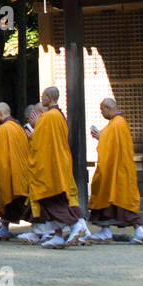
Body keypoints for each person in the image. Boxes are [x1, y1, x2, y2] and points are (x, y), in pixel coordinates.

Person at [27, 87, 90, 248]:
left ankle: (75, 224)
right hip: (58, 163)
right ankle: (58, 235)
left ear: (49, 97)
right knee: (56, 200)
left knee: (54, 201)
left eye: (43, 97)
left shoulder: (48, 117)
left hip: (50, 167)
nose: (42, 99)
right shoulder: (59, 116)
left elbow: (39, 141)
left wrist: (33, 128)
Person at [87, 98, 143, 244]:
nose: (102, 113)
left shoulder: (118, 123)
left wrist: (101, 137)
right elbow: (111, 143)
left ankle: (140, 231)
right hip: (113, 170)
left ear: (108, 108)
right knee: (107, 200)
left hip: (118, 171)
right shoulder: (115, 123)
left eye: (102, 110)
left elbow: (114, 146)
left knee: (122, 203)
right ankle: (105, 231)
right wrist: (101, 138)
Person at [0, 102, 30, 240]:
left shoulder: (5, 128)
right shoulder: (16, 126)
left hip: (12, 173)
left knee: (18, 201)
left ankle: (42, 229)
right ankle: (4, 228)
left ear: (0, 113)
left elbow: (2, 152)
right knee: (11, 204)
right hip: (20, 172)